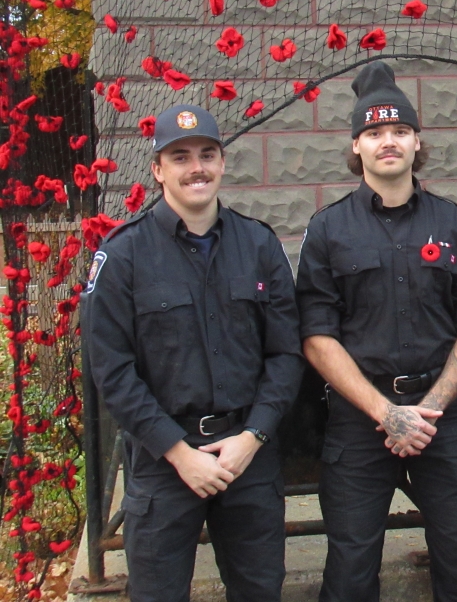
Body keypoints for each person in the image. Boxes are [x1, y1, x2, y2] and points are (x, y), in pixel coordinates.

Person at [81, 104, 305, 602]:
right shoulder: (122, 256)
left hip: (248, 457)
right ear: (158, 169)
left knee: (261, 591)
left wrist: (253, 437)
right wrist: (180, 455)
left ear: (222, 162)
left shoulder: (259, 245)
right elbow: (111, 371)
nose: (196, 167)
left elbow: (286, 353)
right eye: (180, 157)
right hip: (165, 462)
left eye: (207, 154)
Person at [296, 61, 457, 602]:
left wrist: (428, 408)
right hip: (360, 424)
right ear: (356, 145)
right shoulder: (328, 229)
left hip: (444, 420)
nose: (389, 141)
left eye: (400, 131)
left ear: (417, 142)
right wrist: (386, 413)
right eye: (375, 132)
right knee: (351, 567)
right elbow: (317, 335)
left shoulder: (454, 223)